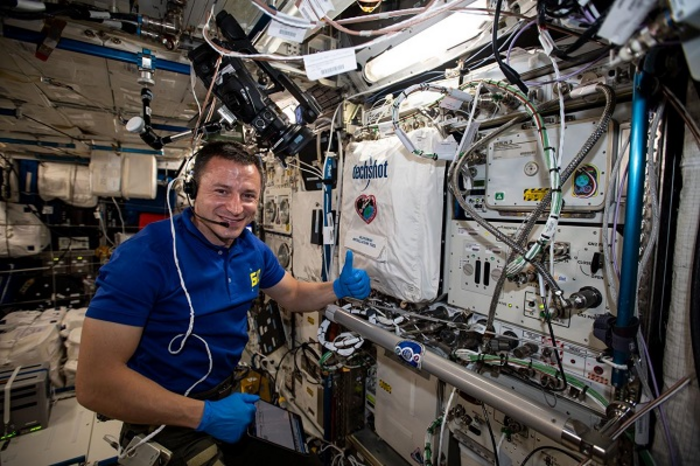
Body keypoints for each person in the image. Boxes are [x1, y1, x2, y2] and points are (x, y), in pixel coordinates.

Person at [76, 141, 371, 466]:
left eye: (247, 195)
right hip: (164, 416)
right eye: (221, 191)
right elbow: (95, 384)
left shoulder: (252, 250)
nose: (235, 208)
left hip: (225, 398)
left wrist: (338, 287)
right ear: (193, 192)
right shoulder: (144, 258)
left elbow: (294, 294)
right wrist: (205, 416)